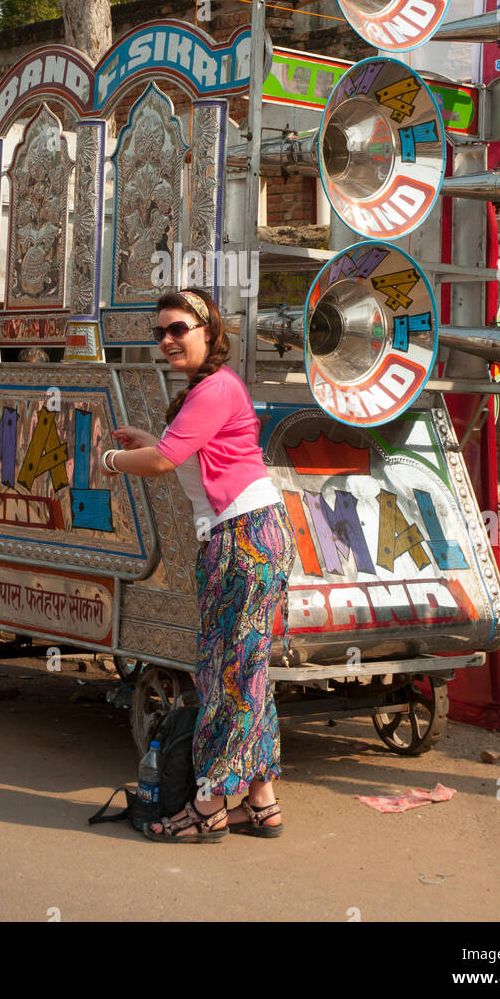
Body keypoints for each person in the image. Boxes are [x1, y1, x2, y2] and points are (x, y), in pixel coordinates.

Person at [101, 287, 297, 843]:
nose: (166, 340)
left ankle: (207, 805)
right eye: (159, 332)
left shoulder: (215, 388)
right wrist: (148, 440)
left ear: (208, 332)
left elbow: (165, 461)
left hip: (244, 540)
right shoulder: (212, 390)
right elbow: (180, 450)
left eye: (177, 329)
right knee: (244, 672)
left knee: (226, 676)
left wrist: (116, 459)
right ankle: (262, 804)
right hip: (247, 537)